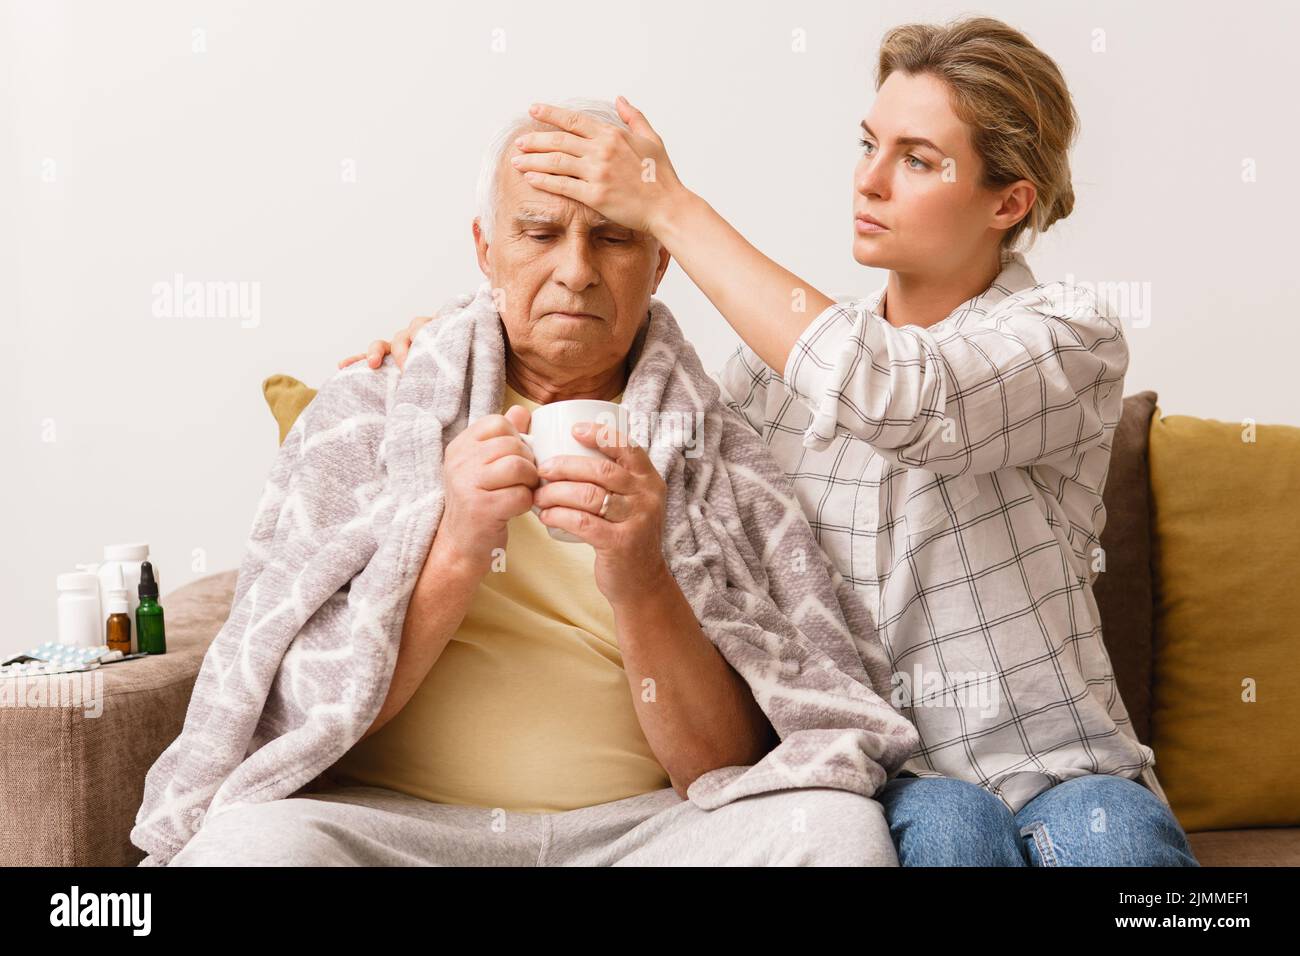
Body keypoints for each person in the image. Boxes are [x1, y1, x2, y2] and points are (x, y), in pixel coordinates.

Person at [341, 17, 1199, 866]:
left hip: (1057, 768)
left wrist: (668, 207)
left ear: (1007, 202)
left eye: (917, 159)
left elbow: (902, 392)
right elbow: (632, 373)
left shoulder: (1068, 338)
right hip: (899, 774)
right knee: (947, 830)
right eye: (869, 144)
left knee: (1114, 840)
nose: (869, 180)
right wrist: (446, 345)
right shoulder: (765, 385)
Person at [168, 99, 914, 867]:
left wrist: (641, 574)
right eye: (540, 234)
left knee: (833, 833)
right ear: (486, 250)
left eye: (613, 236)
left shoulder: (718, 454)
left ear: (659, 262)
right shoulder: (368, 412)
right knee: (245, 852)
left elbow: (719, 764)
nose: (576, 271)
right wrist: (455, 545)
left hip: (646, 834)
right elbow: (305, 724)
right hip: (393, 832)